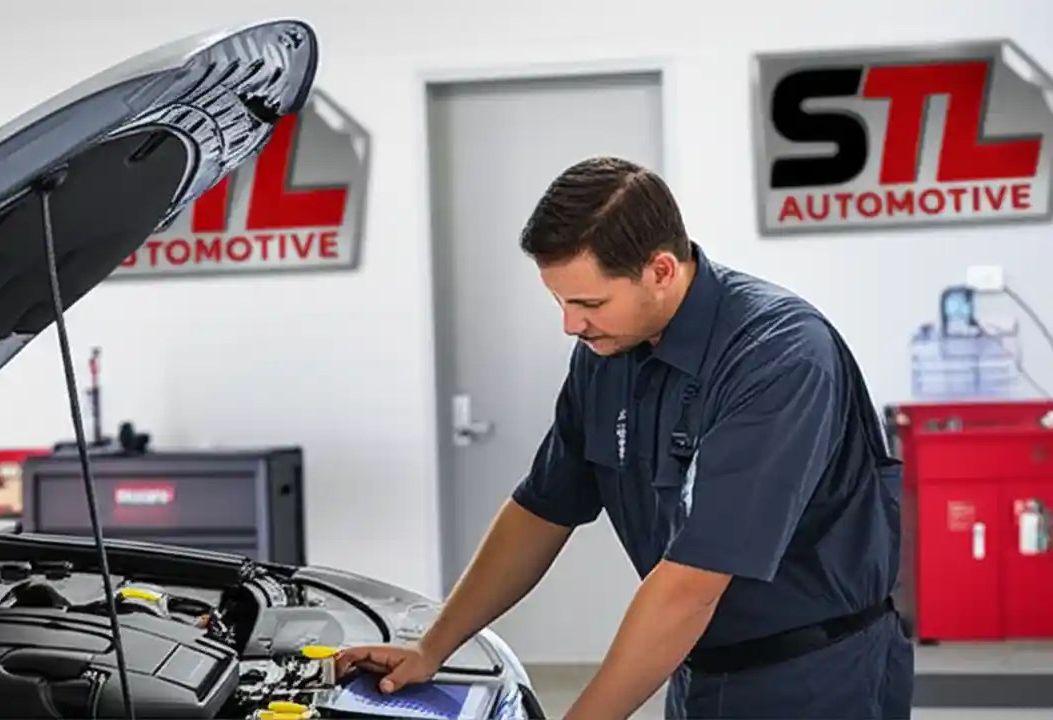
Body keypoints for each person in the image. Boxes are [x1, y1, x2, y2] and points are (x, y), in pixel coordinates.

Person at [335, 157, 914, 719]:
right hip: (695, 668)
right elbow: (540, 511)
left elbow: (691, 585)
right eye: (559, 301)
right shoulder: (606, 353)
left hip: (818, 679)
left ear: (661, 271)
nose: (570, 324)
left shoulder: (779, 358)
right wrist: (433, 646)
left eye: (589, 302)